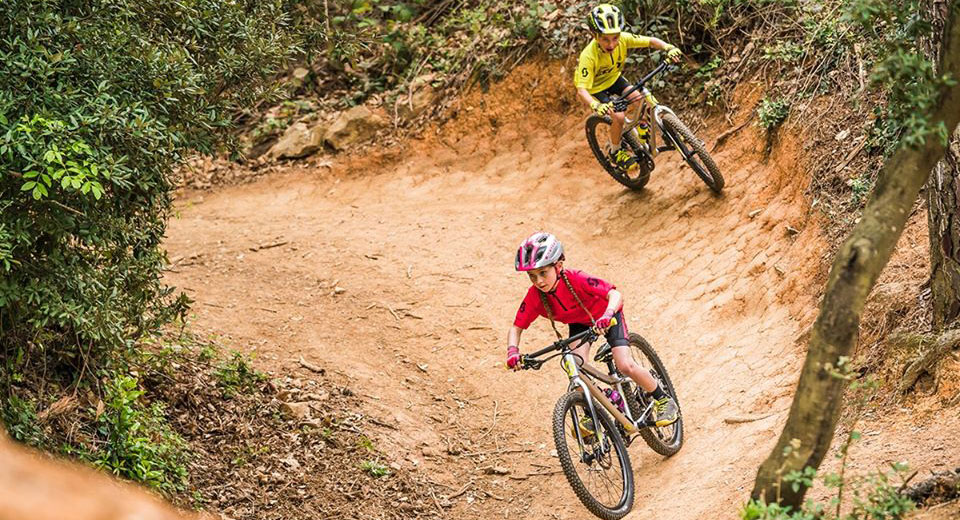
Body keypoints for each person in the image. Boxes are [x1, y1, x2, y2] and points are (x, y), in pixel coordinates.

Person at [506, 231, 679, 427]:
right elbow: (516, 328)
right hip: (580, 323)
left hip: (607, 315)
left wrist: (608, 314)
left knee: (624, 365)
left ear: (558, 266)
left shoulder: (576, 279)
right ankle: (597, 405)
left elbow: (615, 295)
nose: (538, 281)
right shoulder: (535, 296)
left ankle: (663, 399)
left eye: (543, 273)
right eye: (532, 276)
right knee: (574, 365)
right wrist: (513, 351)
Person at [575, 3, 684, 171]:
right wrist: (596, 105)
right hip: (596, 88)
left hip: (615, 79)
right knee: (618, 117)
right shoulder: (588, 56)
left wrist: (668, 47)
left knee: (639, 99)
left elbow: (650, 41)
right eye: (605, 39)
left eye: (615, 38)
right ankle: (615, 151)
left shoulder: (624, 39)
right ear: (594, 35)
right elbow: (581, 90)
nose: (611, 44)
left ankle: (644, 128)